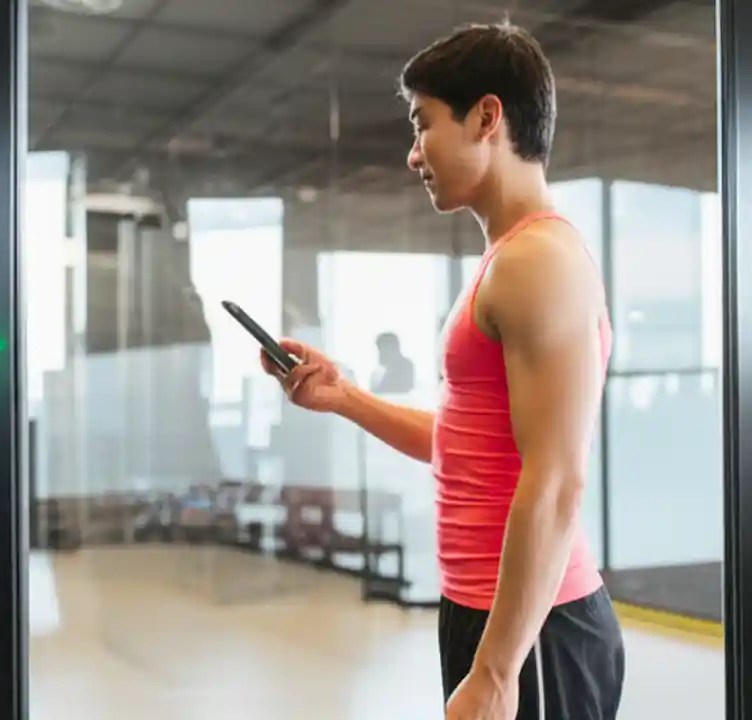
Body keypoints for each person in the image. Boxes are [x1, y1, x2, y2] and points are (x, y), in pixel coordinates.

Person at [260, 22, 624, 720]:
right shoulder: (506, 260)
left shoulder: (537, 263)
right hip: (490, 615)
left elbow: (557, 480)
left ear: (487, 117)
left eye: (422, 124)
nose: (412, 154)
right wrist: (344, 398)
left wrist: (495, 672)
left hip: (531, 632)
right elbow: (470, 445)